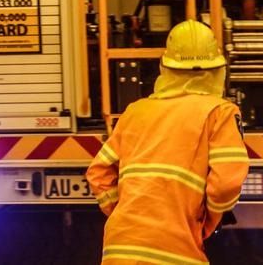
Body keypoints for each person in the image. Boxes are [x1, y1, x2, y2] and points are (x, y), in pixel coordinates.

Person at [87, 19, 249, 264]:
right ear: (218, 70)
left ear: (165, 68)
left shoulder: (135, 111)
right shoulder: (220, 113)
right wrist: (206, 223)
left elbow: (98, 173)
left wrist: (126, 214)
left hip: (119, 249)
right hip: (177, 250)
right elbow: (226, 183)